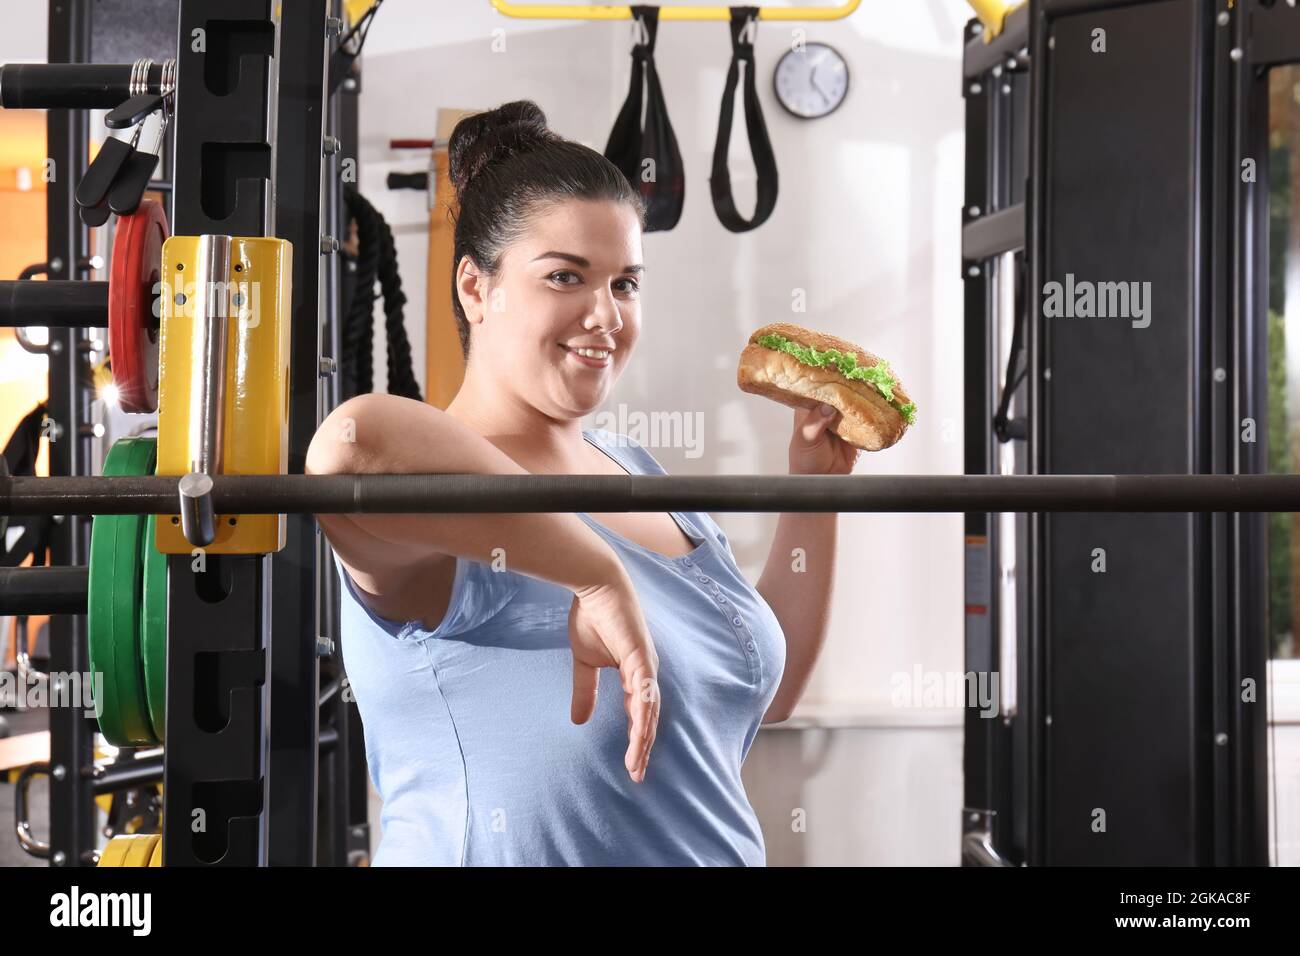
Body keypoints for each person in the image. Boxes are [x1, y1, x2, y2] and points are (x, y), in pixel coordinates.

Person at [306, 100, 855, 866]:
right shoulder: (437, 508)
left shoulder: (633, 467)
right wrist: (596, 577)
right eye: (565, 276)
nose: (605, 316)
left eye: (625, 284)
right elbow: (352, 445)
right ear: (475, 287)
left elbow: (756, 691)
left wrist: (816, 490)